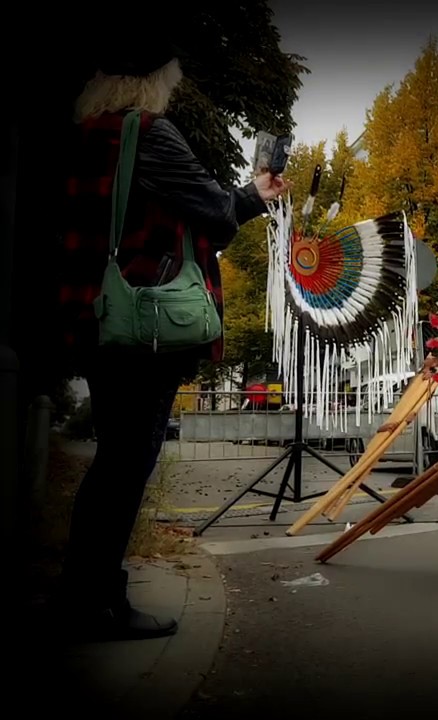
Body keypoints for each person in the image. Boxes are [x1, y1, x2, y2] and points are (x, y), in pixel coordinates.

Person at [55, 41, 289, 640]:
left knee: (113, 463)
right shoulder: (150, 135)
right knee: (127, 465)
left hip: (96, 319)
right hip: (144, 331)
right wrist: (253, 194)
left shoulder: (85, 135)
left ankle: (87, 596)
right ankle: (96, 605)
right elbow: (214, 212)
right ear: (152, 83)